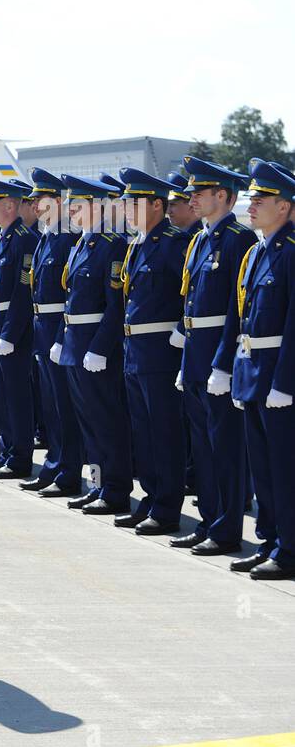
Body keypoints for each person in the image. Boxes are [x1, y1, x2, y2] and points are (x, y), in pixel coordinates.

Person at [174, 157, 256, 555]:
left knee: (224, 446)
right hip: (195, 352)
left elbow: (235, 310)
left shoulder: (238, 240)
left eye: (199, 193)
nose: (192, 199)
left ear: (221, 196)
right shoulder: (200, 239)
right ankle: (210, 520)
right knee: (203, 447)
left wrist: (223, 364)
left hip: (216, 357)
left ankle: (226, 529)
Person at [220, 161, 295, 579]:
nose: (251, 205)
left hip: (279, 378)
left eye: (260, 200)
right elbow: (244, 318)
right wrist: (231, 369)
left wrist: (285, 383)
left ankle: (289, 550)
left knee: (284, 470)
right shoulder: (257, 252)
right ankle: (269, 541)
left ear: (283, 207)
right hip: (253, 372)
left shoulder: (290, 253)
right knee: (263, 470)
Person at [111, 168, 190, 535]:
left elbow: (189, 293)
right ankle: (151, 498)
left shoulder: (173, 243)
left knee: (164, 434)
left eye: (134, 202)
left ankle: (167, 507)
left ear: (156, 205)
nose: (127, 208)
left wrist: (180, 331)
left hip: (160, 351)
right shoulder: (137, 244)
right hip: (135, 350)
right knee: (143, 433)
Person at [57, 174, 133, 515]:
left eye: (78, 205)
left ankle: (115, 488)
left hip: (95, 349)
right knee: (88, 421)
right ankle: (98, 483)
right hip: (76, 344)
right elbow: (71, 299)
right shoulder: (82, 243)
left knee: (106, 420)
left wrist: (100, 348)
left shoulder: (112, 244)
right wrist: (63, 339)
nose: (71, 211)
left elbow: (115, 305)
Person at [24, 168, 82, 495]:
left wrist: (60, 335)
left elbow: (69, 295)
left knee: (64, 407)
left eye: (41, 199)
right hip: (42, 328)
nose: (35, 206)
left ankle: (68, 470)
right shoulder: (47, 238)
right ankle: (54, 464)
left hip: (58, 328)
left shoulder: (67, 238)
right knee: (50, 407)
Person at [0, 176, 39, 479]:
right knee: (0, 395)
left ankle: (20, 457)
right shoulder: (1, 239)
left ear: (10, 205)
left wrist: (9, 334)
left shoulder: (25, 239)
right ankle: (7, 452)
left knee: (16, 397)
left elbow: (22, 290)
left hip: (11, 329)